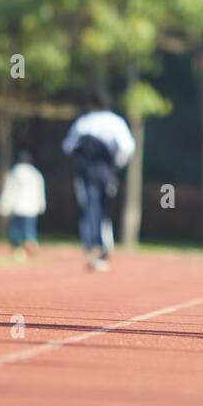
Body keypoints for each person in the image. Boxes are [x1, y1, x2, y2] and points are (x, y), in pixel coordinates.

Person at [62, 90, 135, 272]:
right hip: (106, 173)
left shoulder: (84, 122)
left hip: (86, 173)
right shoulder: (116, 122)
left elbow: (68, 146)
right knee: (104, 212)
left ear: (92, 104)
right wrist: (116, 164)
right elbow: (127, 147)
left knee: (89, 209)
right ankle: (103, 250)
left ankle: (93, 247)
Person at [0, 149, 46, 262]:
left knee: (15, 230)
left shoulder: (14, 173)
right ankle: (31, 242)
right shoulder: (36, 174)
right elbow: (40, 191)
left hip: (17, 207)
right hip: (31, 208)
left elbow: (8, 190)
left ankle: (18, 251)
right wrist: (41, 205)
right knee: (29, 229)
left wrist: (3, 205)